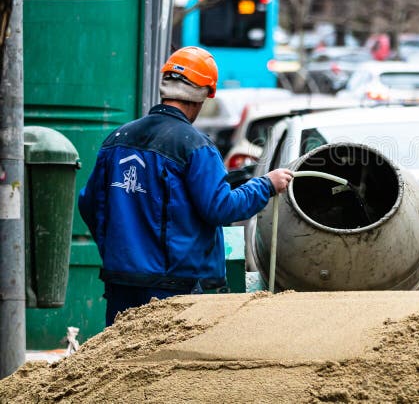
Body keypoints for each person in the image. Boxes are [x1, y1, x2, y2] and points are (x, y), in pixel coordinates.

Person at [78, 46, 293, 326]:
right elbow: (220, 208)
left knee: (125, 362)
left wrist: (120, 248)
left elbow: (89, 203)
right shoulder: (194, 145)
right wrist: (266, 185)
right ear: (202, 95)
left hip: (121, 281)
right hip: (175, 288)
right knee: (169, 363)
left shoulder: (117, 139)